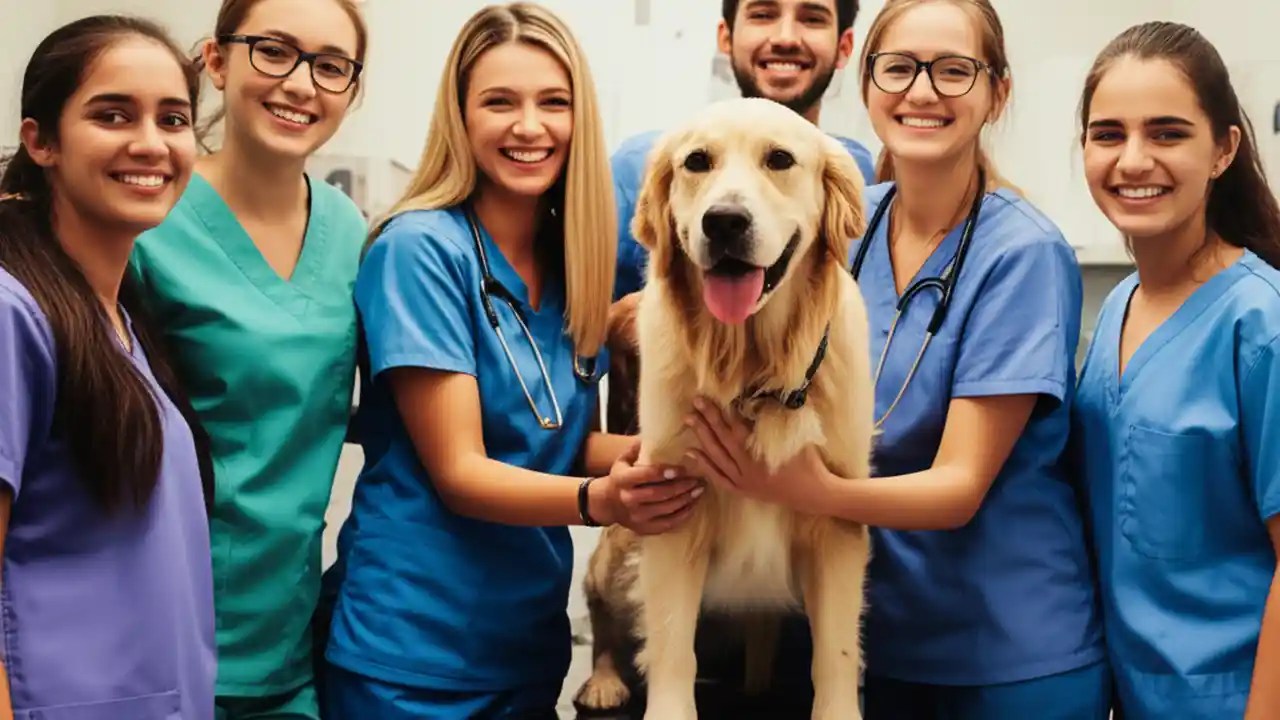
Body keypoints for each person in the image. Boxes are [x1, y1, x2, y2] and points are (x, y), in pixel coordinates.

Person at [683, 1, 1109, 717]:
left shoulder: (1022, 253)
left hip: (1002, 658)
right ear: (869, 81)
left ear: (996, 92)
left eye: (953, 71)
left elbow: (958, 487)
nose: (921, 91)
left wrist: (801, 488)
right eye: (899, 67)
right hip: (871, 647)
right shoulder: (842, 224)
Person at [319, 3, 701, 718]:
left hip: (523, 646)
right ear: (461, 117)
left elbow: (549, 437)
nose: (530, 126)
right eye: (500, 102)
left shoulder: (575, 264)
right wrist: (604, 501)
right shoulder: (421, 250)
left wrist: (663, 455)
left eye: (553, 103)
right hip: (411, 653)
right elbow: (462, 471)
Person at [126, 0, 370, 717]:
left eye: (330, 66)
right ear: (216, 60)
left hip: (289, 643)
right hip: (156, 636)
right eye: (273, 50)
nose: (301, 83)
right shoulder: (147, 220)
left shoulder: (348, 228)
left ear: (351, 92)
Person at [0, 15, 216, 719]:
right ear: (41, 141)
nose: (150, 143)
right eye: (112, 114)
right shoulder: (13, 314)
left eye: (174, 118)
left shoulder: (123, 327)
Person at [1071, 21, 1280, 720]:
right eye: (1108, 134)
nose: (1133, 160)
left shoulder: (1260, 323)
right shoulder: (1121, 306)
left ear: (1224, 150)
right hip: (1130, 697)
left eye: (1167, 133)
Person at [611, 0, 876, 325]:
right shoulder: (636, 165)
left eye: (812, 18)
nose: (785, 37)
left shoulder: (861, 173)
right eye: (763, 14)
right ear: (726, 36)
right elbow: (571, 335)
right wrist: (626, 325)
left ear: (844, 46)